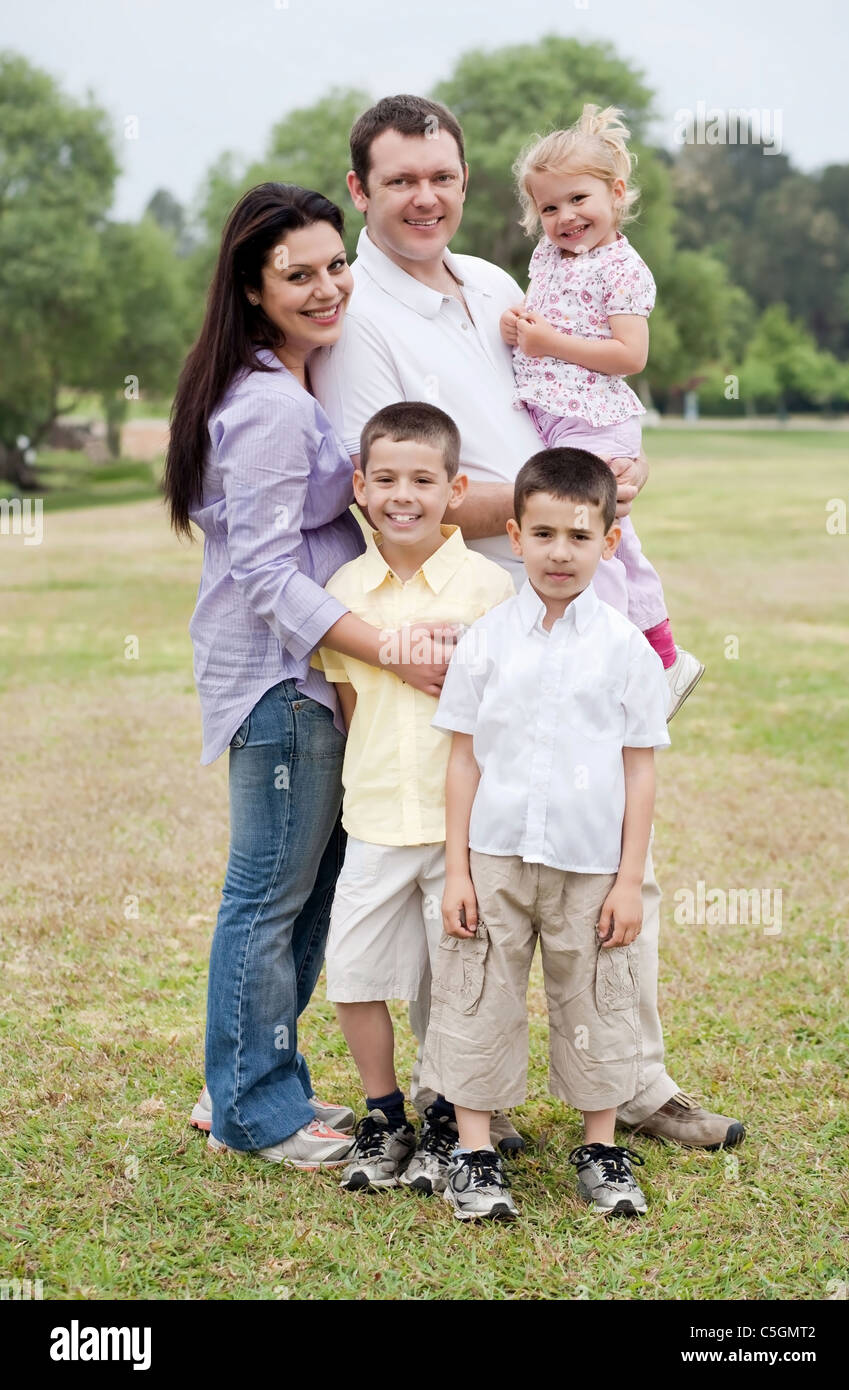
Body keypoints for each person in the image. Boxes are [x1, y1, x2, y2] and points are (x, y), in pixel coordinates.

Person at [311, 94, 744, 1152]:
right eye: (401, 178)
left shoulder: (503, 283)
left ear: (468, 186)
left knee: (609, 857)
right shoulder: (355, 319)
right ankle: (474, 1109)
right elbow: (401, 488)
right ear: (360, 191)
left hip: (575, 596)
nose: (426, 196)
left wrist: (609, 475)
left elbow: (575, 406)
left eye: (443, 176)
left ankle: (636, 1083)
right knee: (482, 871)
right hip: (475, 615)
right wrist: (559, 506)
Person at [165, 183, 455, 1169]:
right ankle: (251, 1110)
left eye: (335, 265)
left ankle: (261, 1083)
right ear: (253, 288)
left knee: (309, 892)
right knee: (268, 898)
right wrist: (390, 650)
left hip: (310, 678)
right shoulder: (268, 408)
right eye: (298, 275)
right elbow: (261, 574)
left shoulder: (287, 388)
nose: (328, 286)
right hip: (280, 683)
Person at [421, 449, 670, 1220]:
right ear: (515, 534)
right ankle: (475, 1153)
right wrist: (456, 870)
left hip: (590, 865)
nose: (561, 551)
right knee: (476, 997)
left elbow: (640, 772)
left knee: (598, 999)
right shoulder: (488, 641)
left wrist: (629, 881)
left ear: (610, 542)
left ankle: (599, 1148)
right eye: (544, 533)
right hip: (493, 859)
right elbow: (463, 761)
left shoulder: (626, 650)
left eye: (580, 535)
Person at [311, 402, 514, 1194]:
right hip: (375, 821)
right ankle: (384, 1112)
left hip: (460, 830)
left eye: (424, 480)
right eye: (386, 478)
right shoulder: (343, 592)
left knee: (454, 981)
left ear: (456, 489)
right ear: (359, 487)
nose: (404, 495)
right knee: (355, 975)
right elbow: (354, 706)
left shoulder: (491, 588)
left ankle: (444, 1116)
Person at [503, 105, 703, 717]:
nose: (565, 218)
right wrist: (519, 326)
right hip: (557, 418)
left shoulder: (622, 268)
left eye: (578, 199)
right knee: (614, 540)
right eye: (549, 207)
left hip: (597, 418)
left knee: (600, 543)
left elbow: (629, 354)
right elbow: (542, 320)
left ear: (616, 194)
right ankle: (661, 660)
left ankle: (621, 663)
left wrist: (544, 343)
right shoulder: (548, 259)